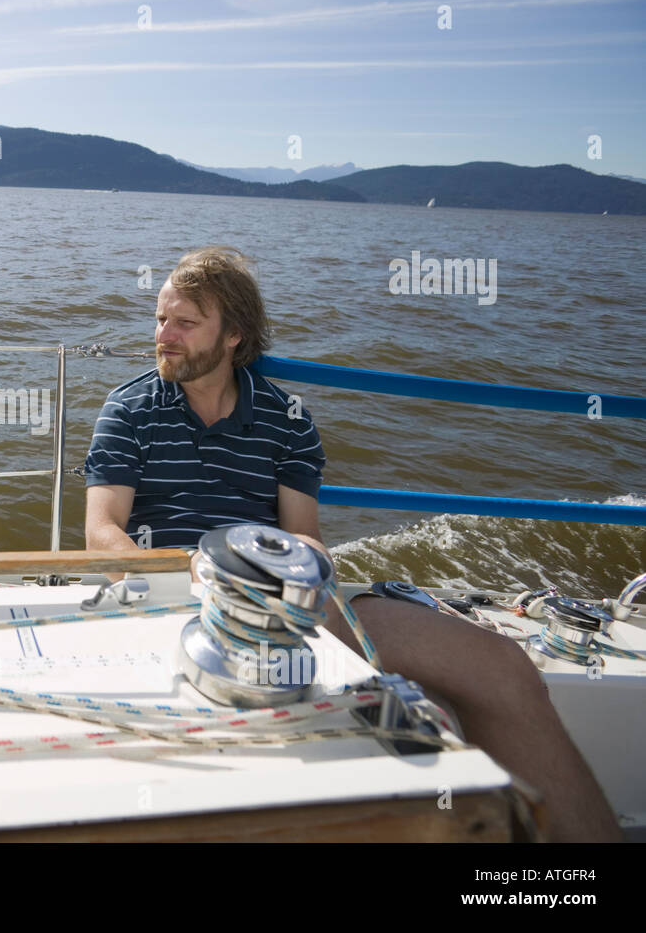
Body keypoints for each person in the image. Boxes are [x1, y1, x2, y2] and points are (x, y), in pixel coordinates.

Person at [84, 245, 621, 842]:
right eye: (161, 319)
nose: (164, 335)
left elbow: (305, 537)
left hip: (286, 601)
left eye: (184, 323)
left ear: (233, 335)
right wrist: (200, 575)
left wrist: (296, 582)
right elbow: (102, 535)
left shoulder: (286, 420)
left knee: (506, 668)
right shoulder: (128, 410)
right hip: (173, 593)